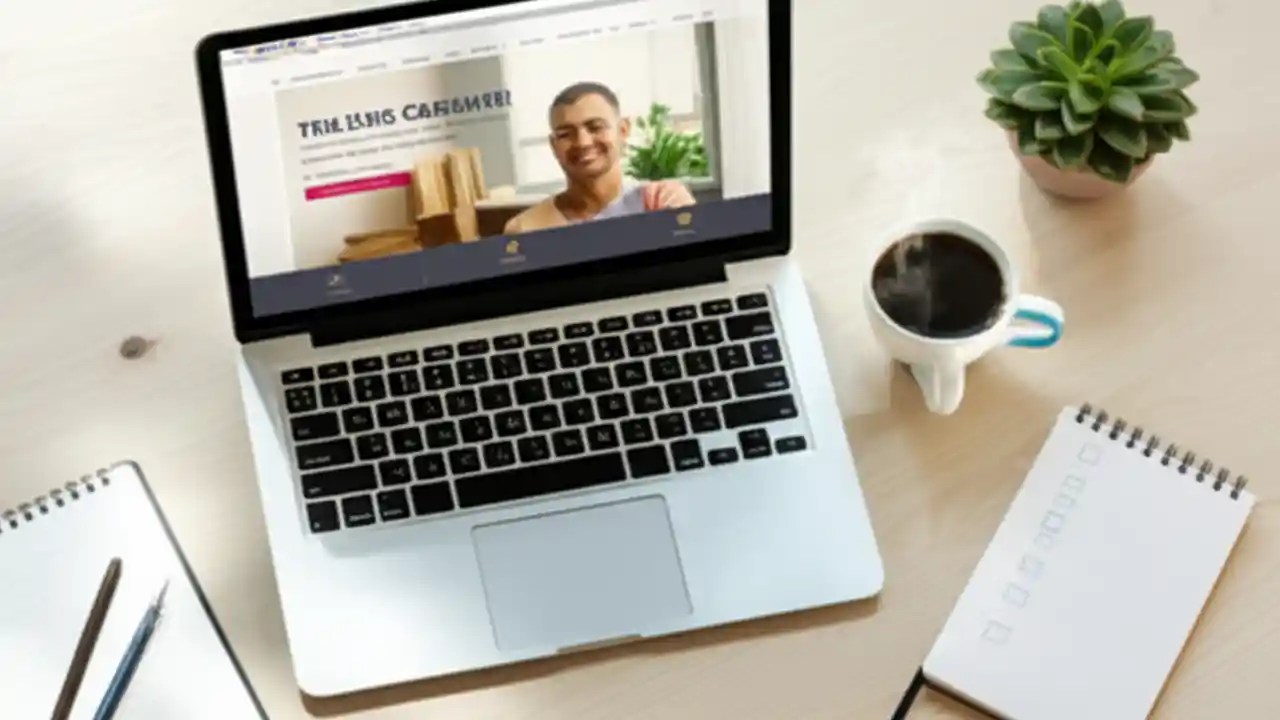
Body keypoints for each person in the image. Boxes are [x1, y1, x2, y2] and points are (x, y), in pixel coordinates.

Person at [504, 82, 695, 235]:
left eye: (595, 127)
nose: (582, 143)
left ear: (623, 130)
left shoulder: (661, 203)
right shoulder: (527, 229)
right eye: (565, 134)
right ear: (554, 145)